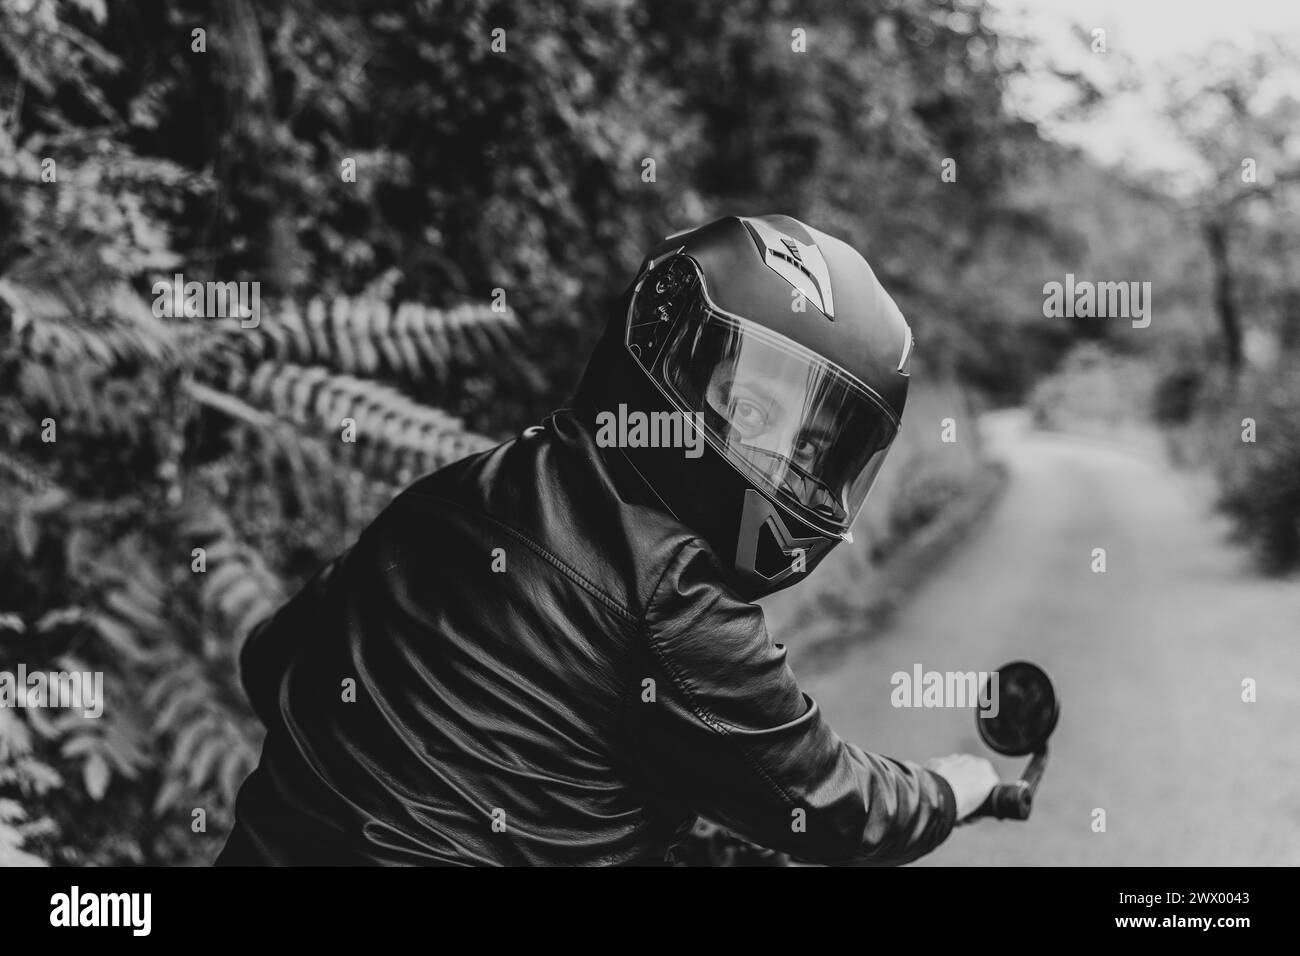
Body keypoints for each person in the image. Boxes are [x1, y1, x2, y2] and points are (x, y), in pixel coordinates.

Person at [215, 214, 998, 866]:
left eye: (813, 448)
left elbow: (273, 660)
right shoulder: (675, 590)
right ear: (659, 346)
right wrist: (951, 787)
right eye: (750, 412)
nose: (776, 460)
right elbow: (831, 804)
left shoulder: (458, 490)